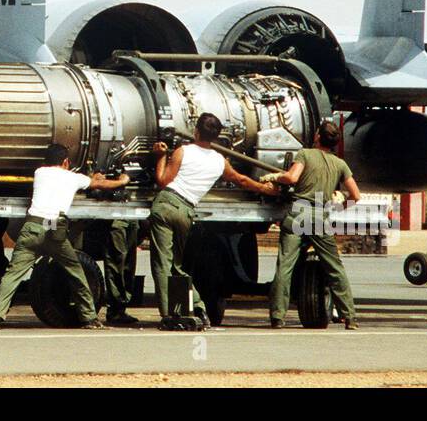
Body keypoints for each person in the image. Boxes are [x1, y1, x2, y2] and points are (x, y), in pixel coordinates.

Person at [148, 112, 279, 324]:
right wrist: (267, 189)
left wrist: (160, 157)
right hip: (186, 211)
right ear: (217, 136)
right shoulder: (220, 161)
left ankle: (167, 314)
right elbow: (242, 180)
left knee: (162, 263)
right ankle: (197, 306)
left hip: (166, 204)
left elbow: (163, 180)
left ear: (196, 131)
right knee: (178, 266)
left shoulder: (183, 151)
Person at [0, 144, 129, 330]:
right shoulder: (74, 177)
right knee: (76, 271)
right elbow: (100, 184)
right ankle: (89, 318)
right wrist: (122, 181)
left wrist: (89, 178)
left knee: (13, 275)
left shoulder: (40, 173)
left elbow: (68, 180)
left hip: (33, 227)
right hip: (56, 229)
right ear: (66, 162)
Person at [262, 120, 360, 330]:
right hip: (320, 216)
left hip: (298, 213)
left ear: (317, 137)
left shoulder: (305, 154)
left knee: (285, 266)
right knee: (334, 268)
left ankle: (278, 317)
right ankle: (350, 317)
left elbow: (292, 177)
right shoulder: (340, 164)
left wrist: (276, 176)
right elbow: (356, 196)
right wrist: (338, 208)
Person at [102, 218, 140, 325]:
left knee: (128, 265)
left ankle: (120, 308)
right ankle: (115, 309)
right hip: (116, 218)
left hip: (132, 217)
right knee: (116, 264)